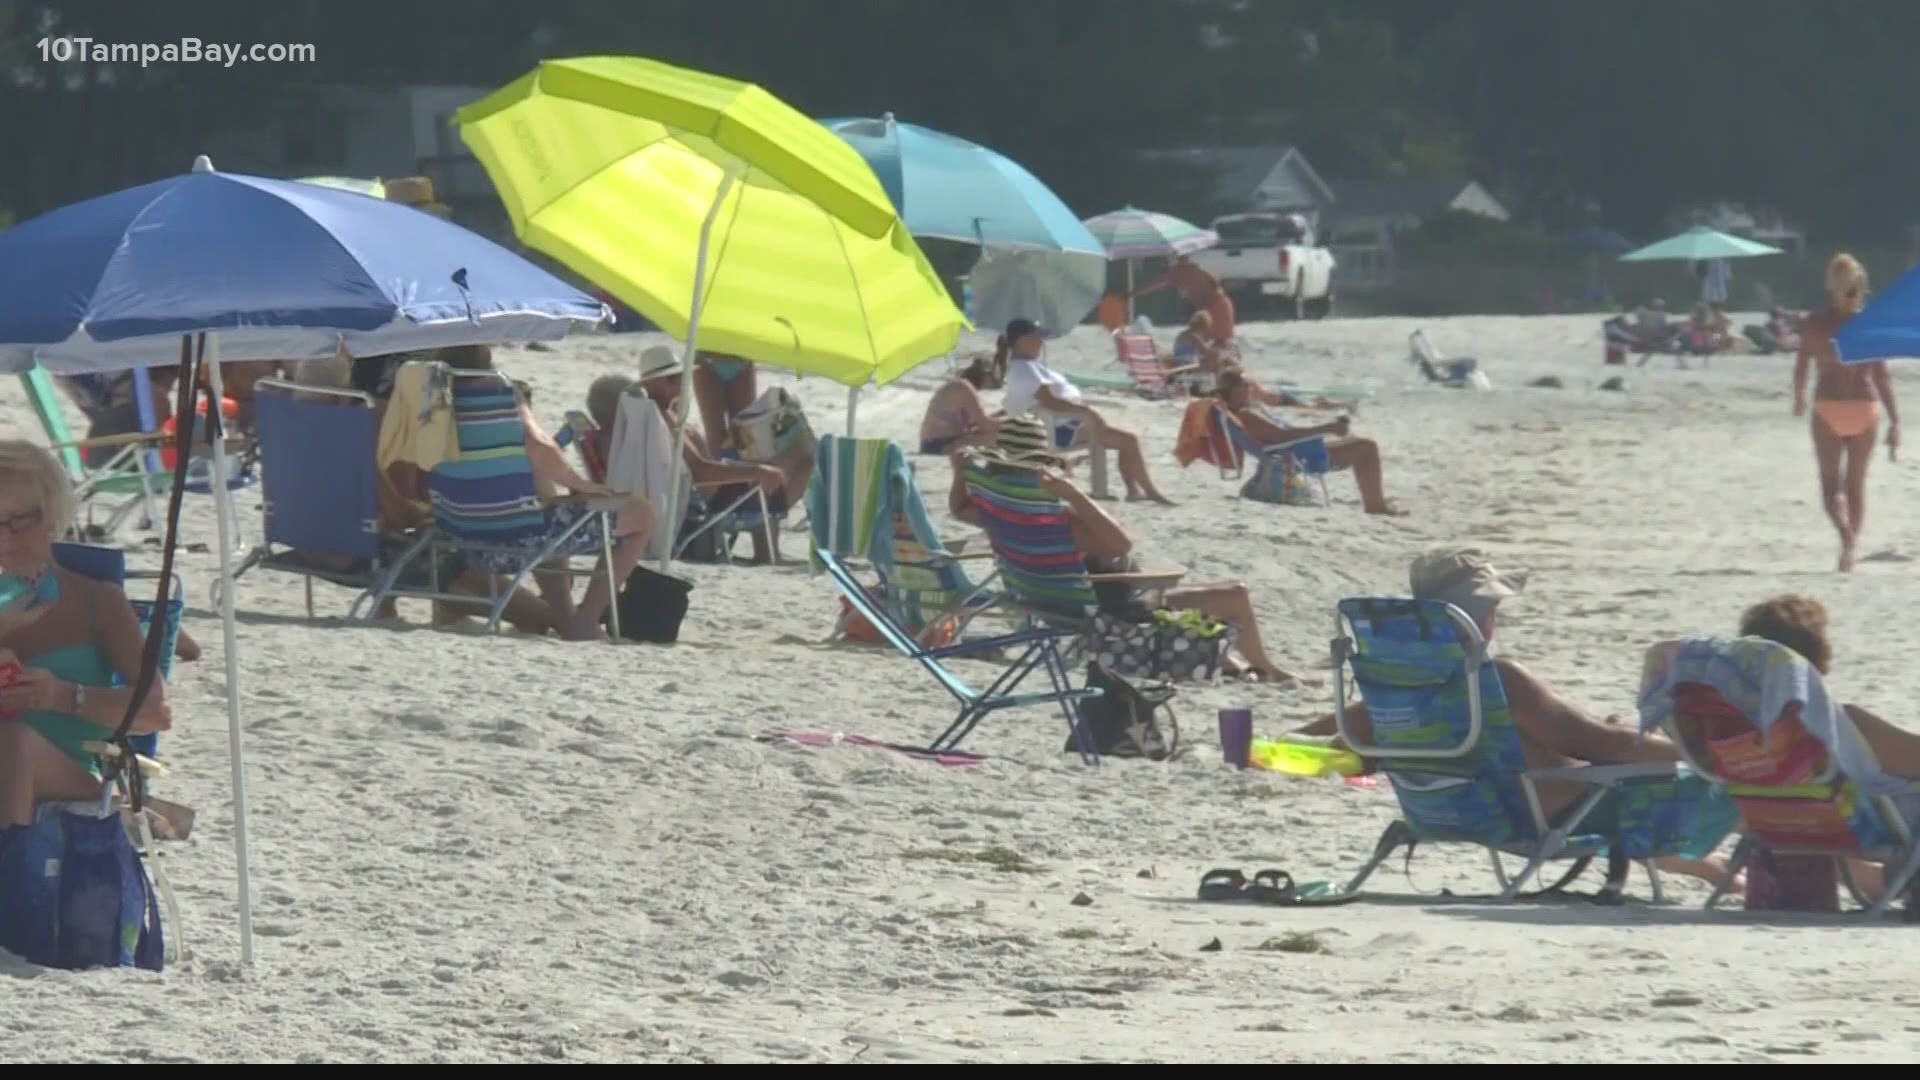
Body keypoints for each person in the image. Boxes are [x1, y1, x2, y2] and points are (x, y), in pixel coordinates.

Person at [1299, 546, 1737, 888]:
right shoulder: (1499, 681)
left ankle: (1705, 866)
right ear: (1483, 616)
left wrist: (1288, 738)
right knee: (1692, 777)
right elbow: (1605, 746)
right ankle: (1728, 860)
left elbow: (1346, 732)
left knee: (1617, 741)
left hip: (1440, 810)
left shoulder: (1398, 690)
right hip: (1532, 813)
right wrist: (1703, 752)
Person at [947, 415, 1303, 685]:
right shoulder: (1058, 520)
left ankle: (1239, 667)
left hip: (1042, 601)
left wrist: (961, 473)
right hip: (1111, 611)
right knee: (1234, 596)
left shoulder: (998, 510)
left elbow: (959, 509)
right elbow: (1121, 544)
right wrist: (1073, 494)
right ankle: (1268, 669)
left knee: (1223, 653)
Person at [0, 441, 173, 828]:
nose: (6, 537)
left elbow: (155, 711)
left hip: (71, 780)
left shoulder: (97, 601)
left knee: (13, 744)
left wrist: (62, 696)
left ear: (52, 515)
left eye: (20, 519)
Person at [439, 345, 654, 641]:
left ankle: (566, 618)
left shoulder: (430, 402)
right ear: (487, 357)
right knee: (641, 513)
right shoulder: (502, 395)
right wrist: (584, 486)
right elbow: (540, 446)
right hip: (513, 538)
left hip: (457, 536)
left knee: (549, 508)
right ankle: (585, 622)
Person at [1735, 594, 1920, 904]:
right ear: (1816, 652)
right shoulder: (1843, 722)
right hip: (1858, 825)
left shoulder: (1740, 728)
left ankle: (1894, 882)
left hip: (1774, 823)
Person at [632, 348, 790, 564]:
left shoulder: (659, 414)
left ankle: (768, 553)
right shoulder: (662, 418)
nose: (678, 385)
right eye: (671, 379)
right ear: (649, 385)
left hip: (689, 495)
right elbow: (702, 471)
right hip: (697, 504)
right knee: (781, 470)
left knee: (774, 467)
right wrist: (758, 471)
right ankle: (767, 555)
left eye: (681, 378)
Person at [1793, 253, 1898, 572]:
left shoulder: (1814, 323)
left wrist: (1798, 397)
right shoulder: (1871, 323)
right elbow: (1881, 376)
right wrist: (1895, 421)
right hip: (1865, 407)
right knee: (1855, 485)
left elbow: (1802, 366)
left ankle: (1846, 537)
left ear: (1832, 288)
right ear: (1860, 287)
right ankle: (1849, 552)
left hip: (1828, 406)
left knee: (1830, 485)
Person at [999, 318, 1174, 505]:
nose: (1041, 342)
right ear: (1022, 340)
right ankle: (1146, 491)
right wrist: (1087, 412)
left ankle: (1135, 491)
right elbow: (1050, 402)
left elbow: (1022, 403)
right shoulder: (1025, 369)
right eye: (1037, 337)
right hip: (1061, 430)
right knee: (1128, 440)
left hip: (1064, 425)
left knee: (1125, 439)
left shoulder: (1024, 367)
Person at [1215, 368, 1405, 515]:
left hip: (1291, 449)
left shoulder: (1242, 413)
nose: (1249, 389)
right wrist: (1327, 428)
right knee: (1367, 448)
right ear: (1231, 391)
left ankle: (1376, 503)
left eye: (1249, 385)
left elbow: (1279, 436)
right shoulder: (1246, 415)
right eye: (1243, 386)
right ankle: (1375, 505)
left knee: (1358, 442)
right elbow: (1282, 436)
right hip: (1297, 454)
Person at [1133, 254, 1235, 347]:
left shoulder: (1177, 271)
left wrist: (1135, 293)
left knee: (1206, 340)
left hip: (1212, 305)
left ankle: (1211, 361)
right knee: (1218, 341)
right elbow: (1214, 283)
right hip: (1221, 302)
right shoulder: (1195, 268)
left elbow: (1155, 284)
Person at [919, 355, 1003, 455]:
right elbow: (985, 424)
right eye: (992, 379)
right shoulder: (964, 387)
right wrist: (1013, 424)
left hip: (932, 444)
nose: (990, 384)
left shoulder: (958, 385)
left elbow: (973, 425)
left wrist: (999, 416)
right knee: (996, 437)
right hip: (941, 445)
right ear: (986, 376)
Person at [691, 353, 757, 454]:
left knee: (743, 435)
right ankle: (719, 465)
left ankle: (738, 468)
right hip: (707, 361)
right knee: (715, 437)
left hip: (742, 359)